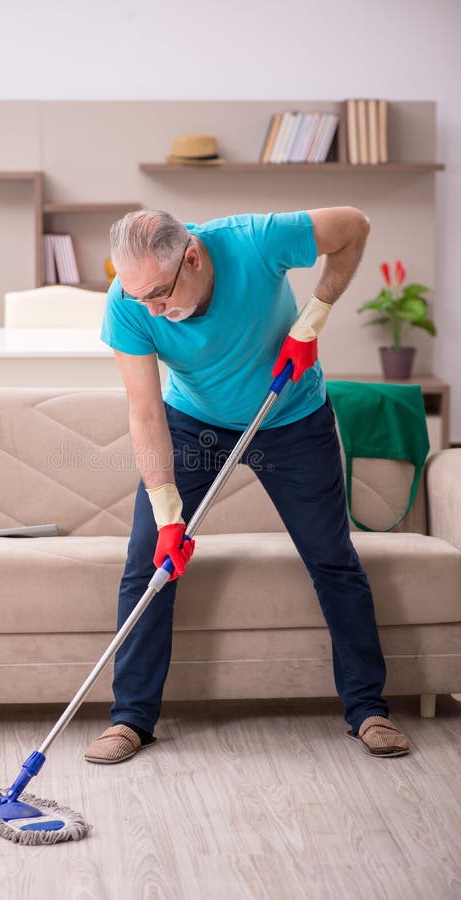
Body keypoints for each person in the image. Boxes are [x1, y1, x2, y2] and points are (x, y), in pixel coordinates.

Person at [84, 207, 410, 764]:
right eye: (140, 299)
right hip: (192, 422)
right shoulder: (129, 302)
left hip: (292, 417)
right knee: (147, 563)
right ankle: (131, 718)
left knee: (332, 559)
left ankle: (367, 708)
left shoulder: (256, 241)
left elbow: (354, 226)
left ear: (191, 258)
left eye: (159, 294)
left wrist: (313, 318)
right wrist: (167, 516)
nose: (153, 310)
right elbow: (144, 412)